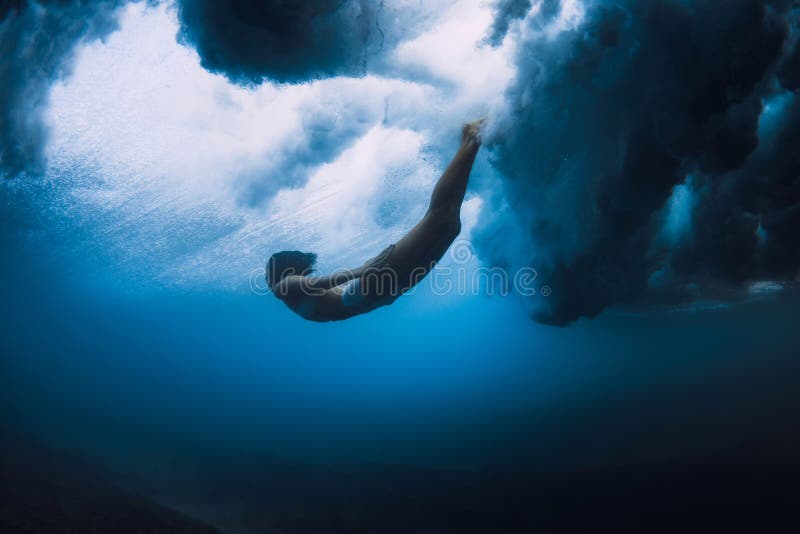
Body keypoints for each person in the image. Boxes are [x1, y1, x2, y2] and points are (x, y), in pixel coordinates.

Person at [266, 119, 484, 321]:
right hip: (374, 295)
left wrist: (362, 271)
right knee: (450, 227)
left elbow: (315, 284)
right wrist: (362, 273)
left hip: (365, 291)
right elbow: (316, 285)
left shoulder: (283, 287)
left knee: (440, 219)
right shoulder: (284, 290)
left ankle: (471, 137)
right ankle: (471, 139)